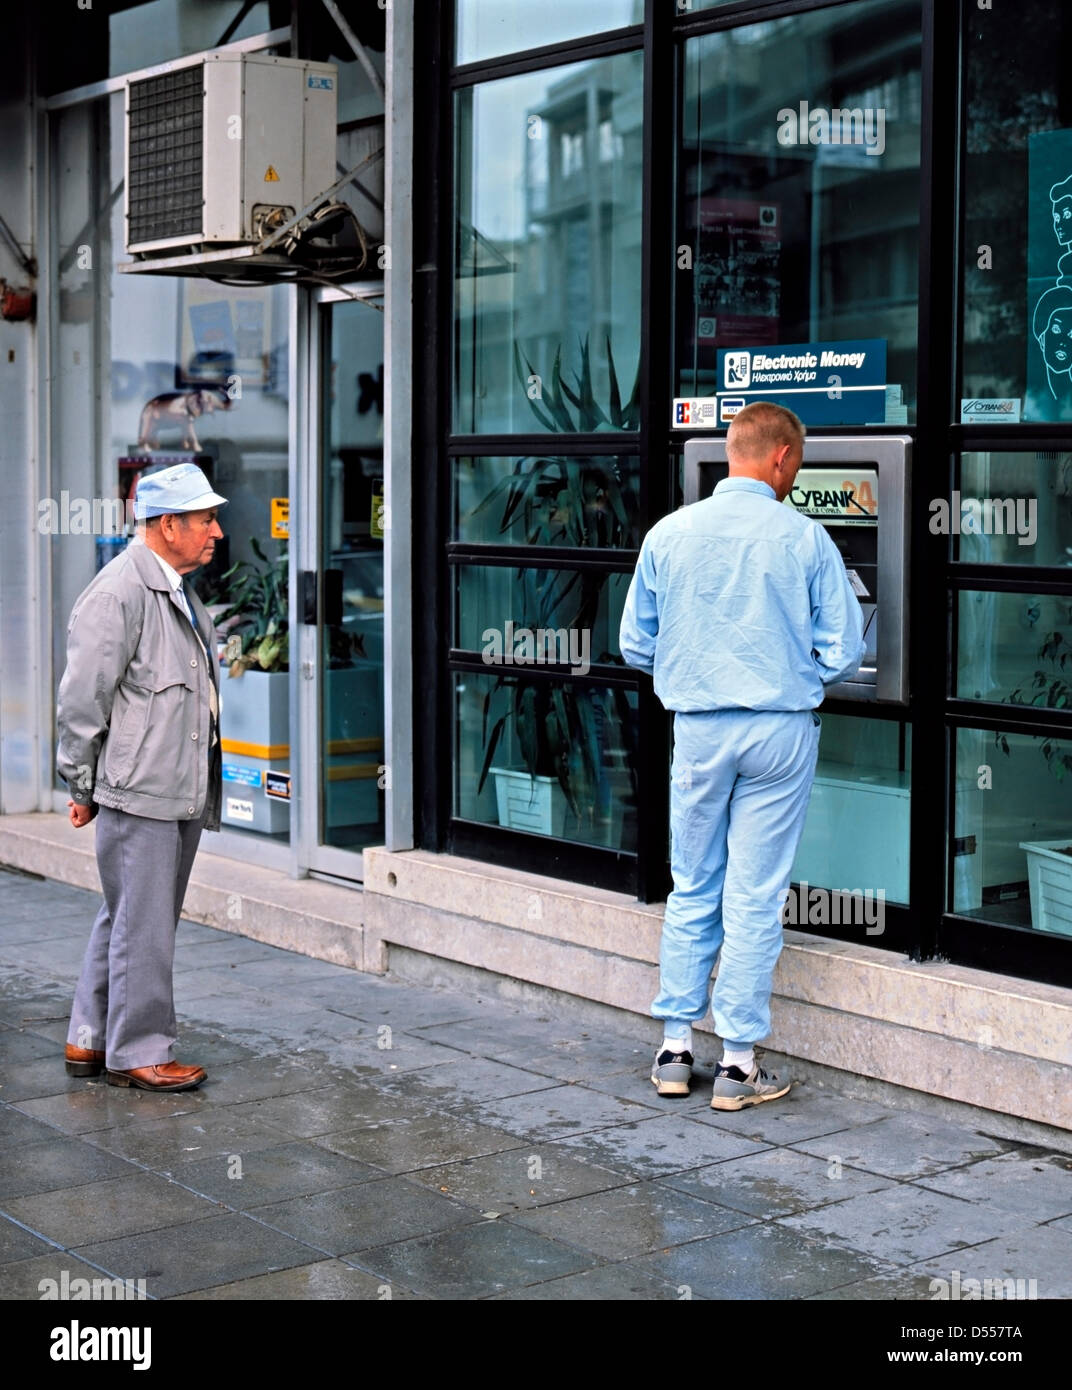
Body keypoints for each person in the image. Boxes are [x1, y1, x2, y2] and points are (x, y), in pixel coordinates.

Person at [619, 401, 865, 1110]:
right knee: (753, 895)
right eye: (800, 461)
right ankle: (736, 1064)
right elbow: (844, 649)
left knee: (692, 883)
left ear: (734, 452)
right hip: (779, 731)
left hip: (698, 729)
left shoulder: (669, 533)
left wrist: (699, 673)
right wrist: (793, 682)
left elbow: (637, 643)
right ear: (783, 456)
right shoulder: (807, 538)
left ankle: (672, 1050)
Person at [56, 463, 227, 1092]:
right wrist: (80, 786)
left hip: (169, 787)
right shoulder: (119, 593)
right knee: (145, 925)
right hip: (141, 791)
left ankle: (89, 1037)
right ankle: (140, 1051)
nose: (215, 531)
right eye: (204, 519)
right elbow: (82, 701)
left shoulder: (174, 588)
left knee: (128, 915)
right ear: (167, 524)